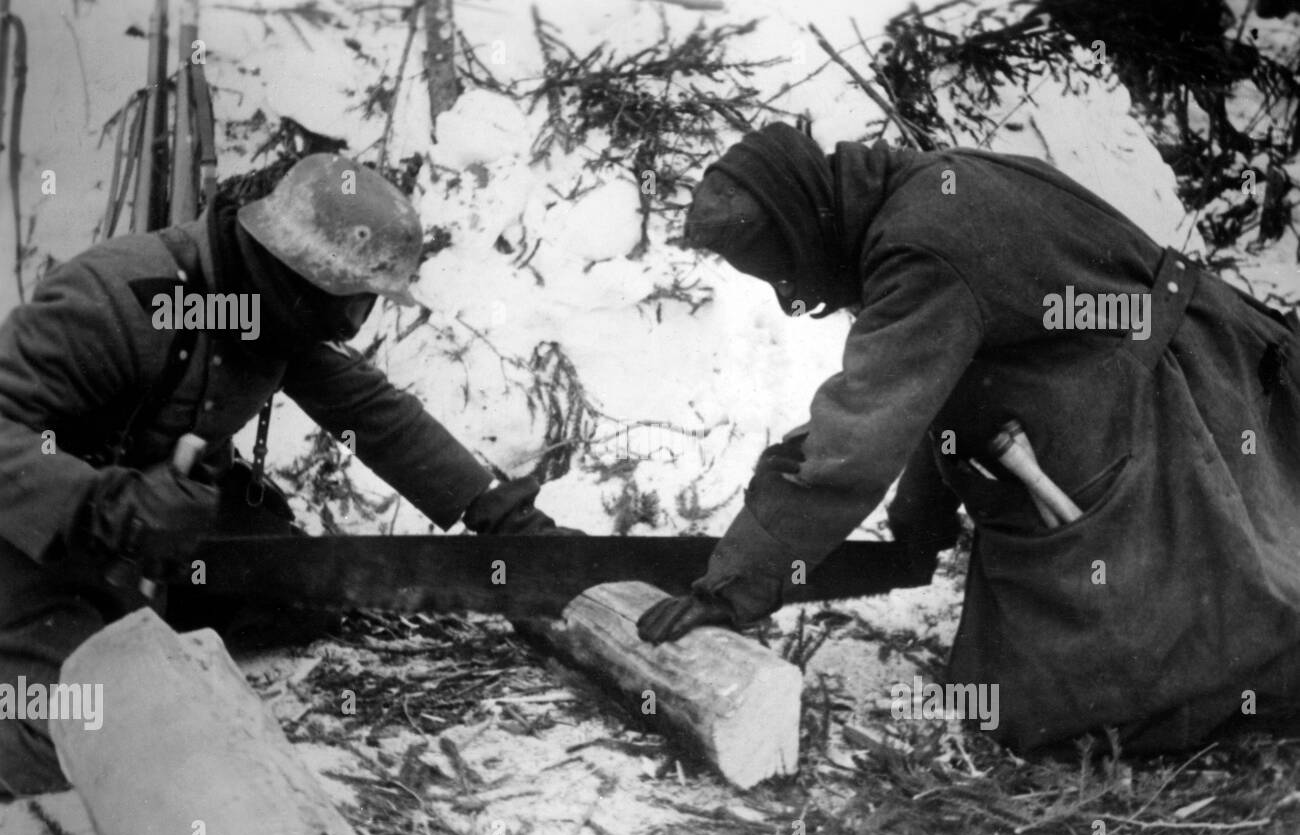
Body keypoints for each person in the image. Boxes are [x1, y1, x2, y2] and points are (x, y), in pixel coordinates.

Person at [638, 122, 1300, 756]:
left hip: (1191, 396)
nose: (794, 290)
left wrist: (728, 591)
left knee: (1064, 703)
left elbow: (857, 440)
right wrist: (918, 526)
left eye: (789, 271)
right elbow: (938, 380)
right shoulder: (920, 192)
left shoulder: (921, 245)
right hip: (1179, 364)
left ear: (810, 219)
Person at [0, 153, 571, 798]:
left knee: (296, 593)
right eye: (350, 301)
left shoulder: (258, 306)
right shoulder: (127, 297)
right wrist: (109, 506)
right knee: (69, 728)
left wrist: (495, 511)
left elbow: (366, 410)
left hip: (158, 530)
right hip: (36, 535)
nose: (355, 324)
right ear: (299, 275)